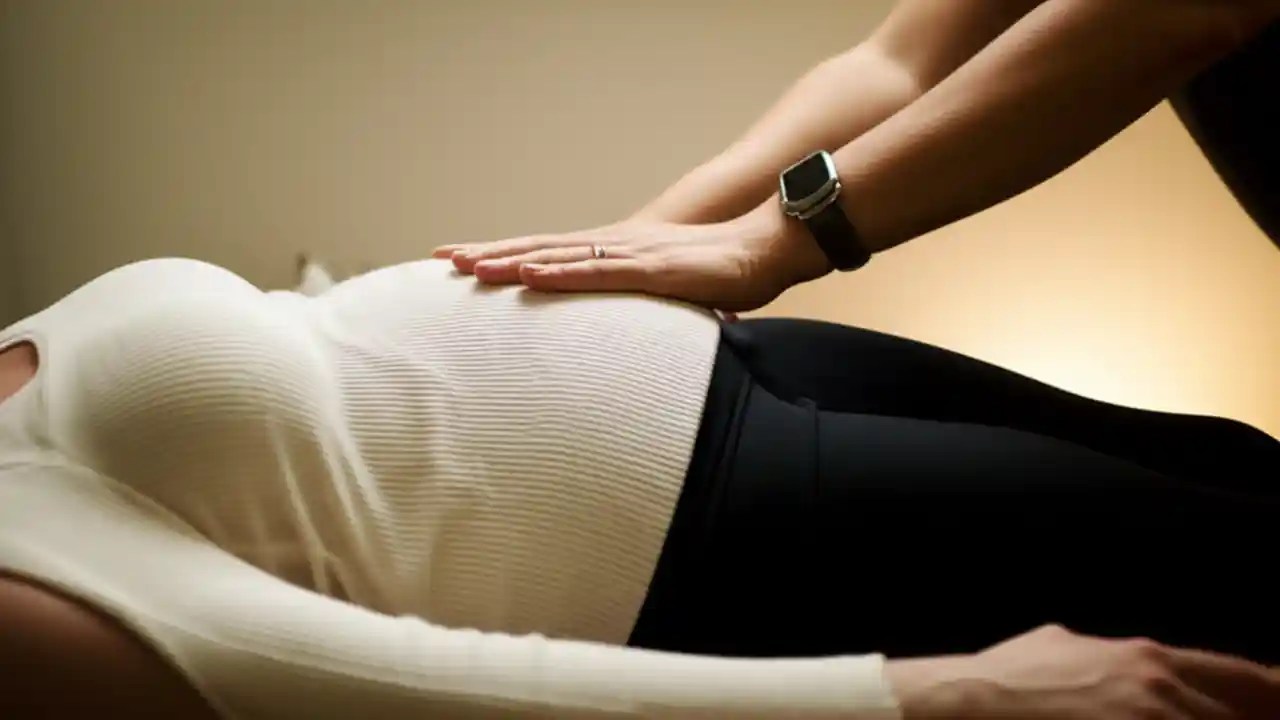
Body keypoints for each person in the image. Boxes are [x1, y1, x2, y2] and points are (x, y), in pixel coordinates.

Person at [1, 3, 1278, 720]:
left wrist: (688, 242)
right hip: (708, 537)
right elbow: (338, 687)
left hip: (744, 371)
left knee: (1244, 480)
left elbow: (896, 58)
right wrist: (925, 701)